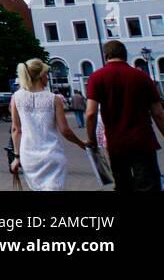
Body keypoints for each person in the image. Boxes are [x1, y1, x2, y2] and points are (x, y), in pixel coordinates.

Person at [85, 40, 164, 191]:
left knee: (123, 186)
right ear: (125, 55)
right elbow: (158, 113)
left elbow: (90, 113)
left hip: (117, 144)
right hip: (143, 141)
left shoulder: (96, 77)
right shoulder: (142, 77)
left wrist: (92, 139)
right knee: (149, 185)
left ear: (106, 55)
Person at [9, 58, 88, 191]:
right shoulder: (53, 99)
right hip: (52, 155)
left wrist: (16, 157)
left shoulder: (16, 98)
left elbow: (16, 129)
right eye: (46, 74)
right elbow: (65, 130)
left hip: (29, 157)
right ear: (40, 76)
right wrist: (81, 143)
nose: (47, 77)